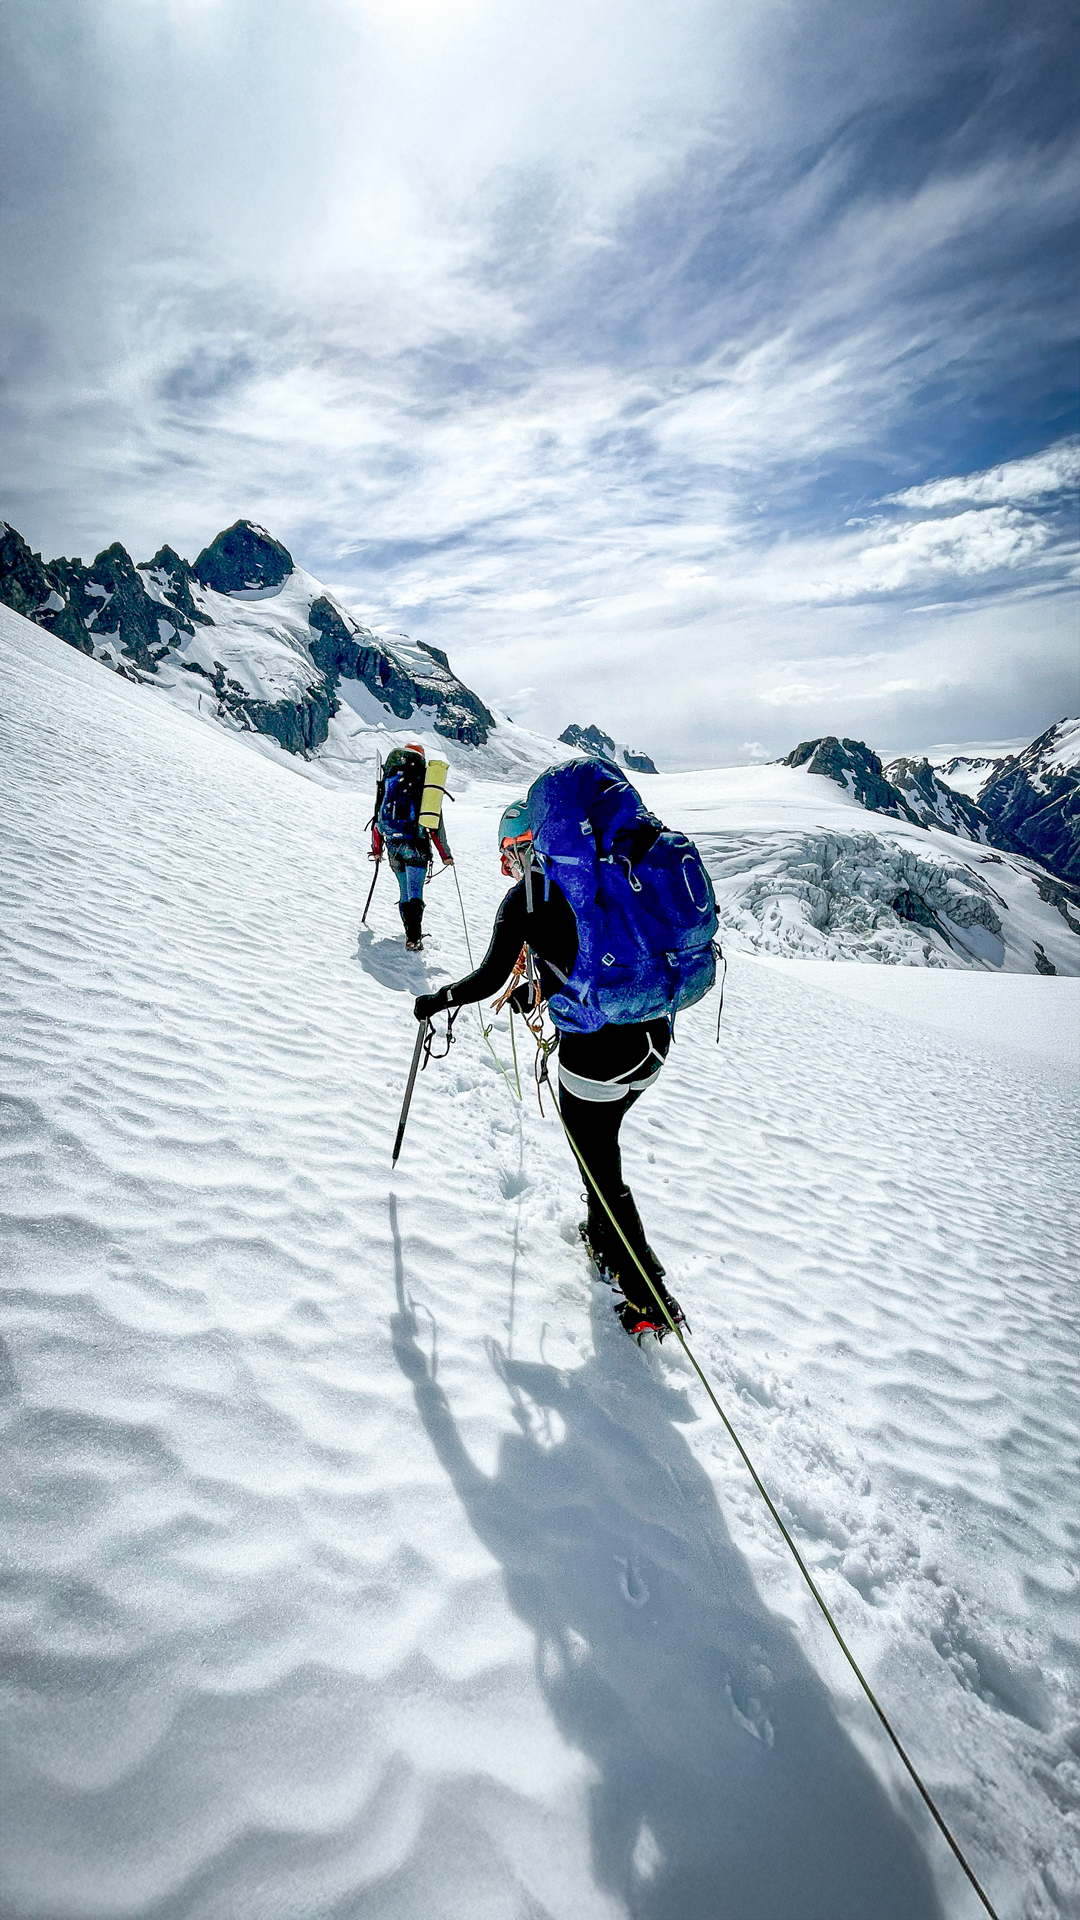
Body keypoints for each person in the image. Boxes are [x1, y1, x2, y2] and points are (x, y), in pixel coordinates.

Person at [414, 798, 687, 1340]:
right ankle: (602, 1240)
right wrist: (535, 993)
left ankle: (650, 1296)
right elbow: (581, 959)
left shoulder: (525, 900)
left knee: (600, 1164)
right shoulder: (602, 884)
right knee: (598, 1148)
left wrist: (438, 999)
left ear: (522, 847)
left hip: (597, 1059)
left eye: (507, 856)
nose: (508, 869)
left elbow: (488, 977)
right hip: (652, 1038)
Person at [371, 742, 453, 951]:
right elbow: (434, 824)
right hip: (416, 845)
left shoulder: (390, 781)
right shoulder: (422, 784)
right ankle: (413, 938)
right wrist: (445, 854)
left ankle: (410, 933)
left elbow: (376, 819)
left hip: (393, 845)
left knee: (404, 891)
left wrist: (378, 849)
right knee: (415, 891)